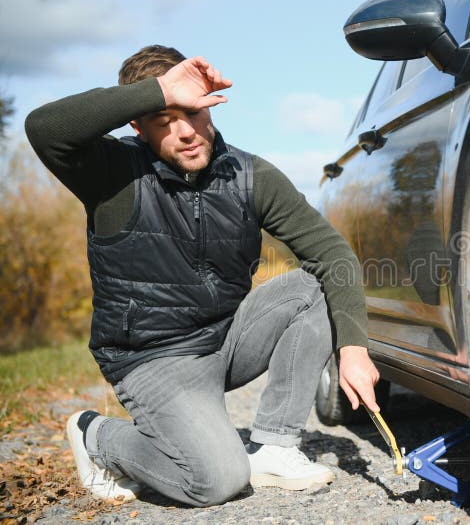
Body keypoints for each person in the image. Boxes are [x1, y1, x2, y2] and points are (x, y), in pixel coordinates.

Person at [24, 45, 380, 507]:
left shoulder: (249, 175)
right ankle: (96, 434)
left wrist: (353, 348)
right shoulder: (110, 171)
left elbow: (333, 254)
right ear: (137, 126)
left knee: (312, 287)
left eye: (192, 112)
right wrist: (161, 90)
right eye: (163, 119)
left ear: (208, 104)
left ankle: (275, 447)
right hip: (153, 359)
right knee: (216, 480)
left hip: (225, 341)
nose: (186, 132)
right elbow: (44, 129)